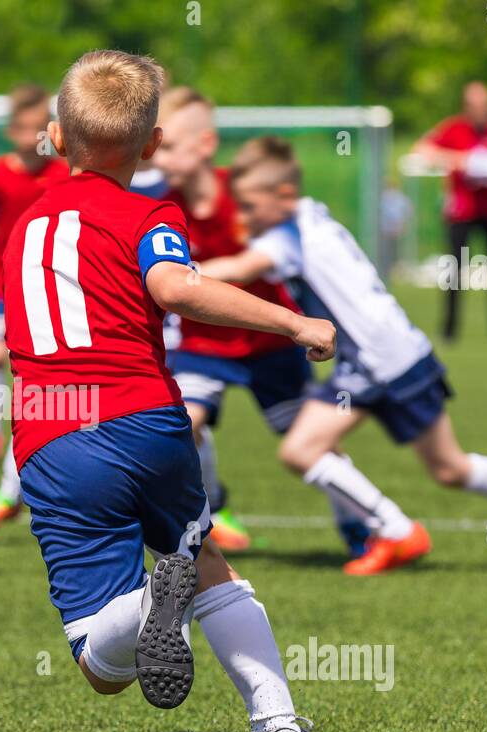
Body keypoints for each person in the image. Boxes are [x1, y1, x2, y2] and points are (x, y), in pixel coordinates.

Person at [5, 50, 361, 732]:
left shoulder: (26, 227)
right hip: (148, 422)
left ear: (58, 137)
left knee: (103, 672)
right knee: (205, 563)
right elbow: (173, 285)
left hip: (52, 435)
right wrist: (296, 325)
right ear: (153, 144)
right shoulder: (149, 212)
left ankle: (142, 612)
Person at [200, 136, 487, 576]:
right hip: (365, 363)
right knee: (302, 449)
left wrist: (169, 276)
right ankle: (395, 529)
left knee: (449, 469)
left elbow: (237, 269)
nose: (245, 218)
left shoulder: (289, 236)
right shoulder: (307, 217)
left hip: (392, 359)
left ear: (284, 195)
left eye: (250, 206)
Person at [154, 86, 369, 555]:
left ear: (205, 145)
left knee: (311, 441)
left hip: (269, 343)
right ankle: (216, 506)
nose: (158, 157)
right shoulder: (162, 209)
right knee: (184, 421)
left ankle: (360, 526)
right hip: (203, 344)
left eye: (168, 145)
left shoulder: (251, 194)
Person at [0, 83, 71, 468]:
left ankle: (35, 443)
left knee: (41, 368)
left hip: (49, 285)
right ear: (11, 131)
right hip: (3, 283)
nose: (31, 138)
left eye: (38, 128)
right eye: (23, 128)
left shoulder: (64, 174)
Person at [414, 82, 487, 343]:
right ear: (466, 107)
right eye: (475, 105)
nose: (481, 110)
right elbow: (422, 149)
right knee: (455, 271)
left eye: (484, 105)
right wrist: (461, 160)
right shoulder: (454, 128)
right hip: (461, 212)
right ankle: (449, 330)